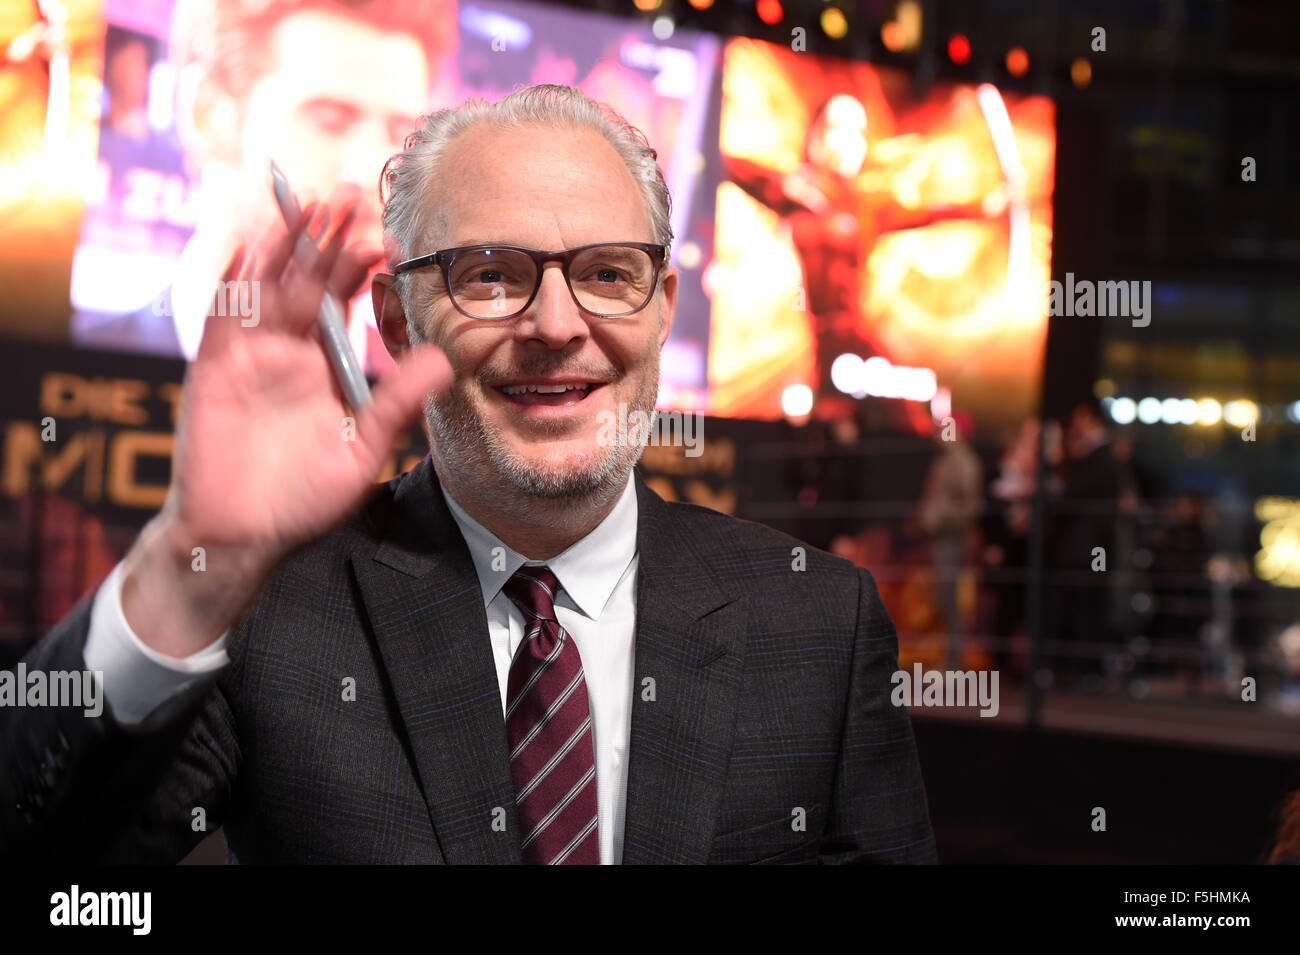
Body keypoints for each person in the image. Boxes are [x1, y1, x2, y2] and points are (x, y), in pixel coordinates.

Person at [3, 84, 936, 865]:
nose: (558, 325)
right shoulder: (274, 612)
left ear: (660, 310)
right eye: (491, 274)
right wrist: (188, 561)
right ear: (399, 322)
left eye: (609, 273)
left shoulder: (820, 623)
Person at [72, 0, 456, 375]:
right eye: (330, 121)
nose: (378, 169)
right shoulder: (60, 372)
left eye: (401, 134)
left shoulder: (436, 413)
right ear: (209, 116)